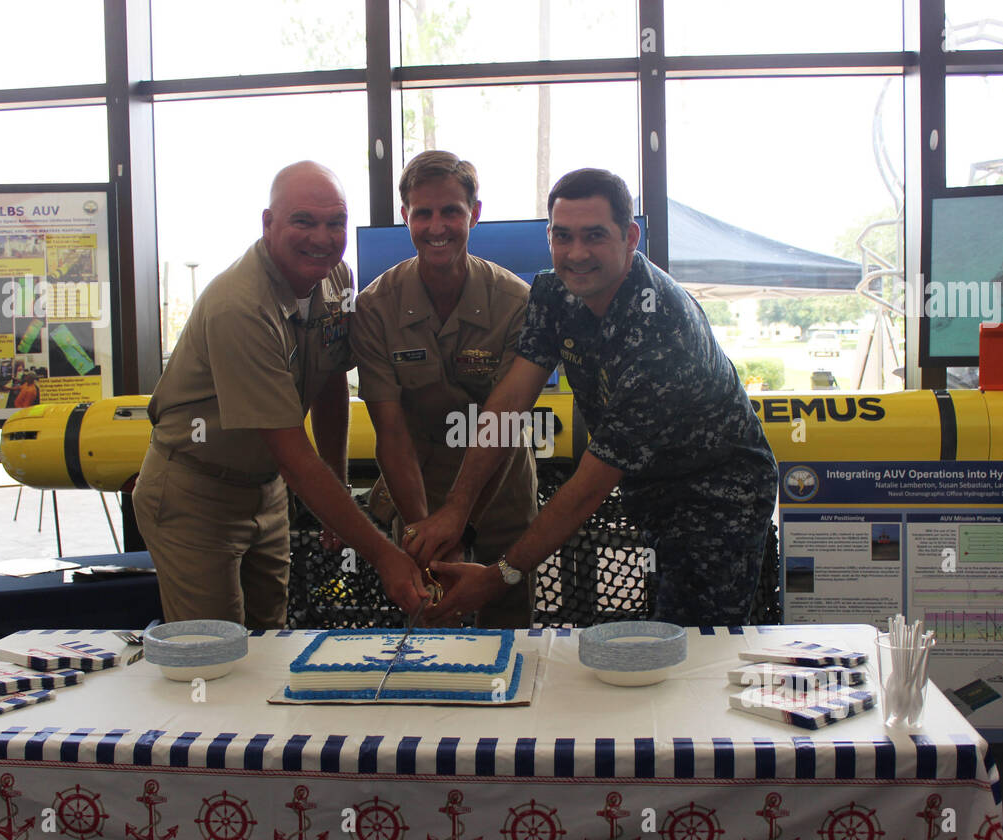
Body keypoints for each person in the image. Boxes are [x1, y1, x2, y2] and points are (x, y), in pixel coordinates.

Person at [406, 168, 778, 627]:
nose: (576, 254)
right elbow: (508, 405)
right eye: (563, 236)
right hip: (651, 486)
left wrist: (499, 575)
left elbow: (587, 489)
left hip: (719, 493)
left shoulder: (659, 331)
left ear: (631, 237)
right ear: (549, 236)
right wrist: (456, 511)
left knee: (698, 645)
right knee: (667, 630)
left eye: (594, 236)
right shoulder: (553, 292)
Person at [133, 161, 428, 627]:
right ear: (268, 224)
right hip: (196, 492)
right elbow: (292, 452)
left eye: (336, 223)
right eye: (303, 221)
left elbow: (331, 382)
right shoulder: (241, 308)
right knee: (218, 653)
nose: (322, 237)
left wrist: (337, 490)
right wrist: (384, 555)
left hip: (267, 490)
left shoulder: (335, 278)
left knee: (268, 642)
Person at [351, 151, 537, 628]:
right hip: (419, 494)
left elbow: (503, 421)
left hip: (500, 494)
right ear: (405, 217)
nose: (438, 226)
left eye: (451, 211)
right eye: (423, 213)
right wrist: (424, 533)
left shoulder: (517, 302)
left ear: (474, 213)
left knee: (508, 634)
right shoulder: (375, 308)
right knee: (426, 632)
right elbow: (390, 431)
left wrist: (462, 520)